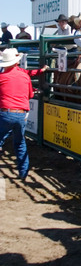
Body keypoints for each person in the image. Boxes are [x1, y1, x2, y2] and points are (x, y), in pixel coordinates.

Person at [0, 48, 34, 180]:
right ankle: (23, 172)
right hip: (21, 114)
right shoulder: (25, 76)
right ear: (16, 62)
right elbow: (30, 94)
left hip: (5, 113)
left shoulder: (2, 77)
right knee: (20, 142)